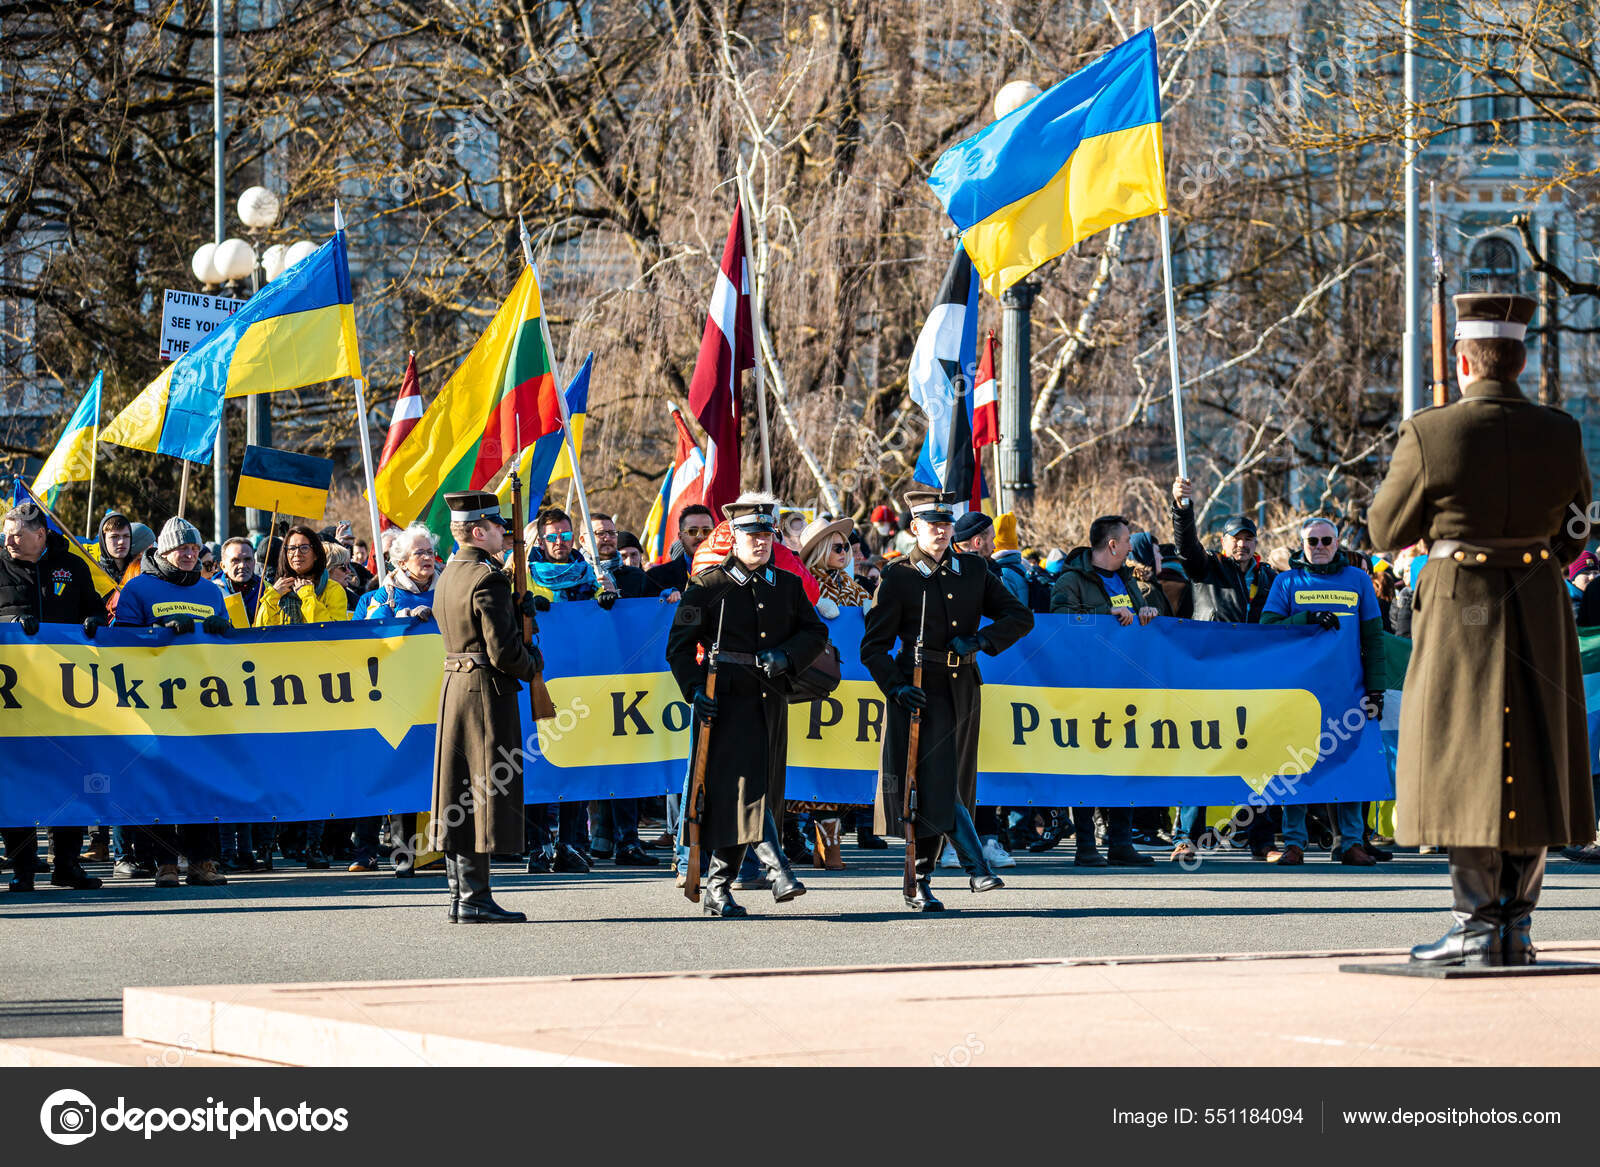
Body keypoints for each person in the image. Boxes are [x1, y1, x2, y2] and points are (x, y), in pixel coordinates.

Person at [1369, 292, 1593, 967]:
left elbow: (1386, 529)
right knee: (1532, 752)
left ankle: (1472, 921)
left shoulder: (1429, 432)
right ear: (1518, 361)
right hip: (1539, 603)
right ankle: (1516, 923)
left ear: (1463, 361)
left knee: (1465, 753)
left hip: (1460, 602)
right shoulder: (1561, 430)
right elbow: (1577, 528)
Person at [862, 490, 1034, 911]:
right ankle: (962, 870)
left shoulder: (973, 569)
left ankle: (923, 879)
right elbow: (873, 647)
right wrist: (896, 687)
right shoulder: (899, 576)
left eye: (945, 524)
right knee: (930, 779)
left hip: (961, 687)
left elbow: (1020, 617)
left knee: (950, 781)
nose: (939, 531)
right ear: (913, 529)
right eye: (930, 525)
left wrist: (981, 639)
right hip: (917, 687)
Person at [666, 495, 828, 917]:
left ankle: (718, 888)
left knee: (759, 789)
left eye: (766, 535)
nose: (760, 542)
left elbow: (815, 633)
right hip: (726, 699)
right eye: (751, 535)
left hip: (769, 698)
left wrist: (788, 656)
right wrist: (694, 691)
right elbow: (678, 650)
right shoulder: (706, 586)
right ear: (733, 537)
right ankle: (779, 870)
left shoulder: (787, 587)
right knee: (745, 788)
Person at [429, 490, 547, 924]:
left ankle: (462, 896)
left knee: (458, 790)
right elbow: (503, 652)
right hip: (484, 692)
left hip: (454, 689)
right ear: (479, 530)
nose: (505, 533)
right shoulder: (488, 578)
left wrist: (518, 615)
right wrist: (532, 660)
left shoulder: (450, 573)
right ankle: (475, 898)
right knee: (480, 791)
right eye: (499, 527)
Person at [1257, 518, 1388, 867]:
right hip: (1299, 694)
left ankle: (1349, 843)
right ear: (1301, 544)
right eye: (1311, 541)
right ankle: (1295, 843)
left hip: (1348, 690)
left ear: (1337, 542)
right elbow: (1266, 630)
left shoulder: (1359, 580)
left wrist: (1376, 688)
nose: (1319, 546)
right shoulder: (1287, 582)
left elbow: (1374, 639)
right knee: (1296, 767)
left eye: (1326, 540)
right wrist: (1306, 619)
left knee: (1350, 765)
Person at [111, 517, 231, 888]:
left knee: (203, 780)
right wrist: (158, 634)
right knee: (159, 782)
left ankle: (201, 861)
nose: (191, 554)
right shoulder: (139, 588)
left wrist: (221, 630)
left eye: (195, 548)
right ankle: (164, 863)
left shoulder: (211, 591)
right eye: (183, 548)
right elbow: (121, 642)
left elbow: (231, 644)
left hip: (201, 700)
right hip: (153, 702)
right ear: (164, 551)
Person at [0, 501, 107, 892]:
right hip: (15, 700)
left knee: (70, 780)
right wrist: (9, 625)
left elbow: (94, 612)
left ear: (41, 534)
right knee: (16, 783)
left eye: (17, 532)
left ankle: (66, 865)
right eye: (6, 532)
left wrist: (94, 622)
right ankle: (23, 870)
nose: (9, 539)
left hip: (69, 697)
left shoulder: (73, 566)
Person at [1048, 515, 1160, 868]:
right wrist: (1103, 612)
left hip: (1124, 685)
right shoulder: (1071, 579)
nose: (1131, 546)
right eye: (1127, 540)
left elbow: (1136, 621)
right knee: (1085, 763)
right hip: (1084, 686)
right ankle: (1085, 846)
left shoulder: (1128, 579)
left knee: (1124, 761)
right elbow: (1059, 620)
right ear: (1112, 544)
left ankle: (1121, 843)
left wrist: (1147, 612)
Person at [792, 515, 870, 869]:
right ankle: (817, 844)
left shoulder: (852, 586)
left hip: (851, 685)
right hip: (812, 682)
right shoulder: (804, 584)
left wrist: (872, 606)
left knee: (839, 762)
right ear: (821, 550)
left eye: (847, 547)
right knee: (809, 765)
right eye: (838, 547)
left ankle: (828, 843)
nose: (846, 553)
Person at [254, 526, 349, 625]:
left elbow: (330, 632)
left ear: (316, 554)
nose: (297, 554)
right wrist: (272, 596)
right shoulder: (277, 589)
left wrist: (307, 595)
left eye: (304, 548)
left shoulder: (333, 589)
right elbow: (261, 631)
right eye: (292, 548)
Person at [356, 524, 438, 621]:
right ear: (402, 563)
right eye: (419, 553)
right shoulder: (387, 595)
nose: (427, 557)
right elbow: (372, 631)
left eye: (430, 552)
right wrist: (406, 616)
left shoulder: (447, 588)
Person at [645, 504, 715, 594]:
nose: (700, 536)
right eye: (692, 531)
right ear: (680, 537)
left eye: (706, 531)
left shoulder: (730, 575)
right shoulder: (655, 578)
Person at [216, 537, 265, 628]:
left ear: (254, 563)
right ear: (223, 566)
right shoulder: (212, 591)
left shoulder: (267, 590)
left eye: (247, 559)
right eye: (235, 560)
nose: (242, 565)